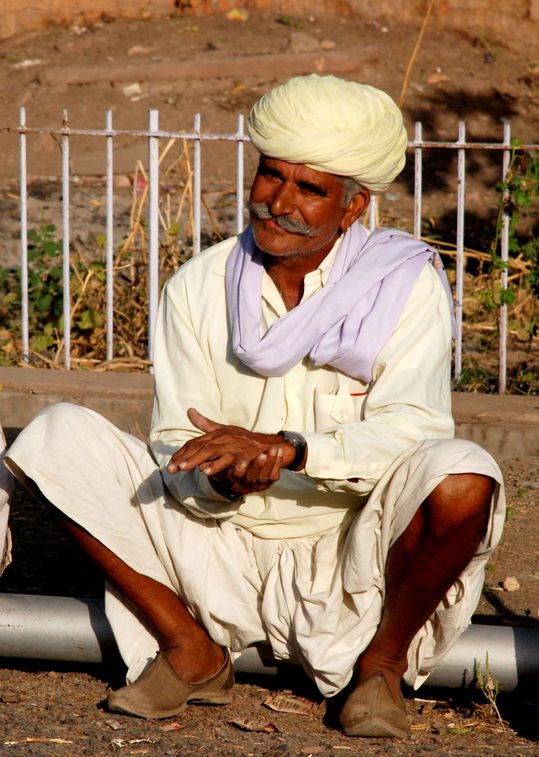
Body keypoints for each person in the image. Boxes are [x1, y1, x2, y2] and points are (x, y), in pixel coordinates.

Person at [4, 74, 505, 738]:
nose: (278, 202)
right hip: (216, 542)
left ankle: (381, 666)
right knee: (55, 436)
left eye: (310, 189)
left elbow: (414, 429)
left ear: (354, 207)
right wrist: (219, 478)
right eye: (271, 176)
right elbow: (175, 440)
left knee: (465, 475)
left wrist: (294, 450)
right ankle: (191, 650)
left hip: (351, 547)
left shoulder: (405, 286)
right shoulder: (197, 286)